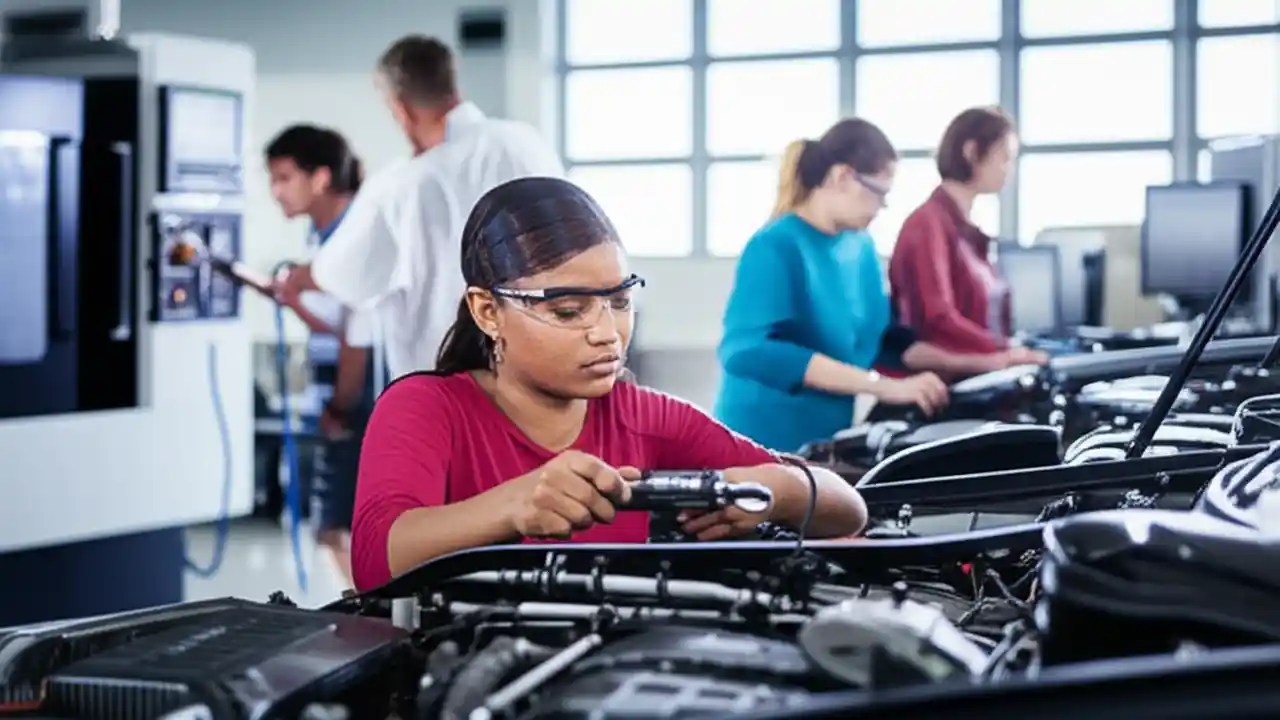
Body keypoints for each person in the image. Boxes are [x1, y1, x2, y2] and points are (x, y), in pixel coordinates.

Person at [349, 177, 867, 591]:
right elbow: (374, 561)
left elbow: (849, 508)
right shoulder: (426, 407)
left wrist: (778, 490)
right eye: (569, 310)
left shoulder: (645, 417)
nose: (607, 333)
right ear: (488, 311)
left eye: (619, 301)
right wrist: (513, 506)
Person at [714, 119, 1024, 454]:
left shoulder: (860, 248)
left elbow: (883, 342)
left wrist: (990, 363)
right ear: (842, 177)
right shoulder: (775, 245)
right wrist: (882, 387)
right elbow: (746, 351)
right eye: (879, 193)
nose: (881, 208)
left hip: (823, 441)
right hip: (757, 441)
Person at [273, 35, 565, 380]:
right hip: (544, 375)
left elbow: (343, 274)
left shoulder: (403, 183)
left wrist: (299, 277)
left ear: (401, 109)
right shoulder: (527, 144)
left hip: (449, 387)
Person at [264, 124, 376, 586]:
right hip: (341, 383)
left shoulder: (353, 236)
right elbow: (338, 324)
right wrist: (294, 303)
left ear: (321, 177)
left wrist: (341, 404)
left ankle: (375, 615)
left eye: (284, 178)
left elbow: (360, 332)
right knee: (333, 524)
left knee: (334, 524)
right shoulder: (324, 235)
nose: (275, 192)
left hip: (358, 390)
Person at [890, 107, 1048, 364]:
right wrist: (1003, 350)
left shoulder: (966, 232)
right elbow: (936, 319)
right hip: (948, 385)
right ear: (972, 152)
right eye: (1005, 157)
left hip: (981, 375)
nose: (1009, 169)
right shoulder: (928, 224)